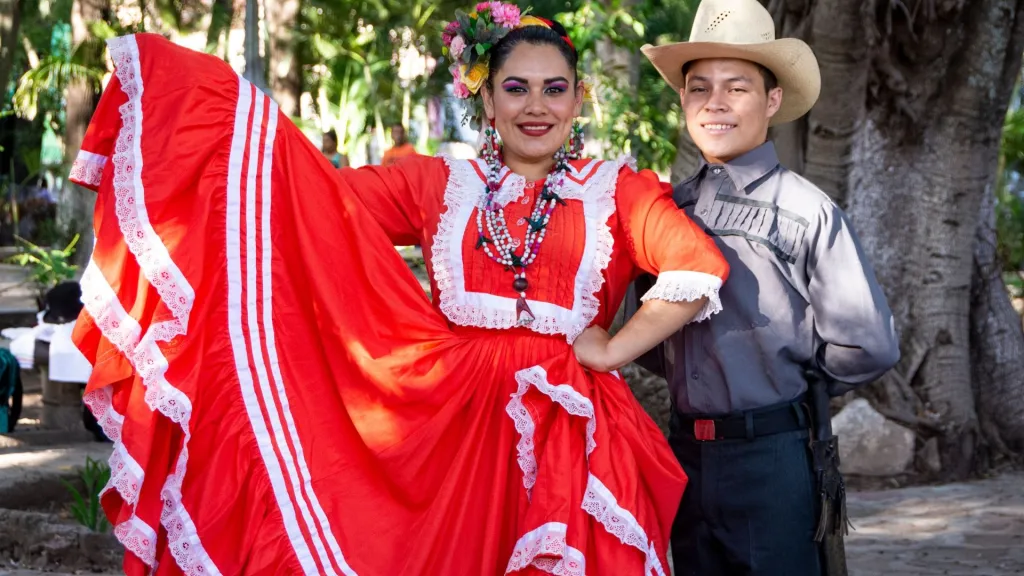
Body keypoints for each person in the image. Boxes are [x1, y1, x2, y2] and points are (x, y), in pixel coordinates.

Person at [68, 5, 729, 574]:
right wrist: (220, 115)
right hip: (449, 430)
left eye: (554, 89)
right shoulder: (439, 183)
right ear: (487, 99)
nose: (536, 107)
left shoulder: (619, 190)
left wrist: (612, 353)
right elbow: (311, 202)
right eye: (516, 88)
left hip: (571, 429)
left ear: (579, 99)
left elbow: (696, 264)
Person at [628, 0, 901, 574]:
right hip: (686, 456)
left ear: (772, 100)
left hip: (773, 456)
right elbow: (648, 334)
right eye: (698, 87)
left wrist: (788, 383)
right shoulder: (665, 212)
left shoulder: (807, 211)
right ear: (683, 100)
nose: (715, 103)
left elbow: (868, 345)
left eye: (738, 87)